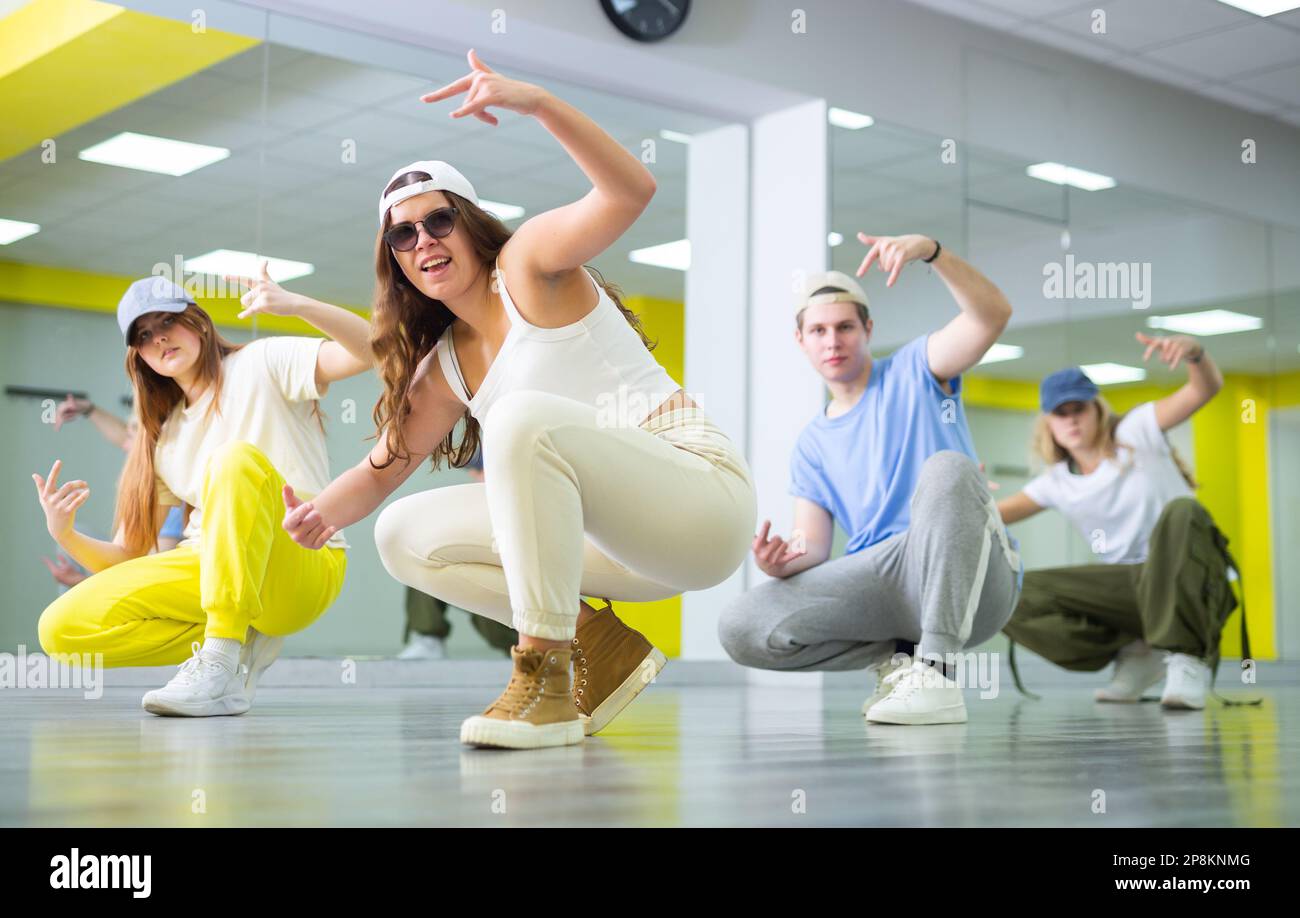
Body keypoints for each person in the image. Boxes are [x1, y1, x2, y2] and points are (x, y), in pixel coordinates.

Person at [281, 50, 756, 749]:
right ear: (396, 260)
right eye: (403, 235)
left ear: (470, 223)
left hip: (698, 503)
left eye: (438, 221)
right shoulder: (444, 367)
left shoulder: (528, 265)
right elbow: (379, 474)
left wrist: (538, 103)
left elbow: (631, 190)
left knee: (519, 418)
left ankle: (545, 680)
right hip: (607, 541)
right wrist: (316, 514)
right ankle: (599, 644)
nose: (423, 241)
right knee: (401, 534)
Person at [34, 271, 373, 716]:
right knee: (59, 629)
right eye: (144, 335)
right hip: (212, 566)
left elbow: (373, 349)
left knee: (233, 460)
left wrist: (296, 305)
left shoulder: (261, 362)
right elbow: (128, 555)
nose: (159, 338)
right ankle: (235, 640)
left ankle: (219, 659)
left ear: (197, 322)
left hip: (301, 559)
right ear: (139, 357)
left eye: (167, 321)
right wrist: (65, 534)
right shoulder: (163, 440)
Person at [717, 234, 1022, 726]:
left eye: (844, 327)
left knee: (948, 467)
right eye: (818, 330)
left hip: (975, 578)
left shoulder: (916, 369)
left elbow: (992, 316)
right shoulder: (812, 444)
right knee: (740, 625)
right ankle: (899, 660)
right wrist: (781, 561)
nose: (832, 341)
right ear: (801, 340)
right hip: (885, 580)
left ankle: (937, 672)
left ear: (867, 329)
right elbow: (812, 545)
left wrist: (932, 252)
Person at [997, 334, 1231, 710]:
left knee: (1183, 512)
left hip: (1193, 580)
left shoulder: (1137, 431)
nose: (1072, 419)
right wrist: (962, 488)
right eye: (1060, 413)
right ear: (1048, 422)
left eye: (1079, 408)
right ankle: (1140, 651)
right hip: (1132, 589)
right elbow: (990, 516)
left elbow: (1205, 389)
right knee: (1011, 593)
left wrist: (1196, 354)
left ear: (1097, 410)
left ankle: (1186, 656)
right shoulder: (1056, 482)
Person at [41, 395, 185, 592]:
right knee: (77, 537)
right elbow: (127, 555)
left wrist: (81, 582)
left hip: (147, 581)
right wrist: (89, 409)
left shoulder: (166, 491)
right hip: (132, 566)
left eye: (130, 437)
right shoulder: (157, 471)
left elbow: (153, 577)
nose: (124, 445)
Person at [398, 448, 518, 659]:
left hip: (551, 624)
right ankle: (428, 640)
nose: (476, 476)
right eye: (477, 471)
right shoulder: (482, 508)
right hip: (502, 620)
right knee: (427, 554)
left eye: (481, 470)